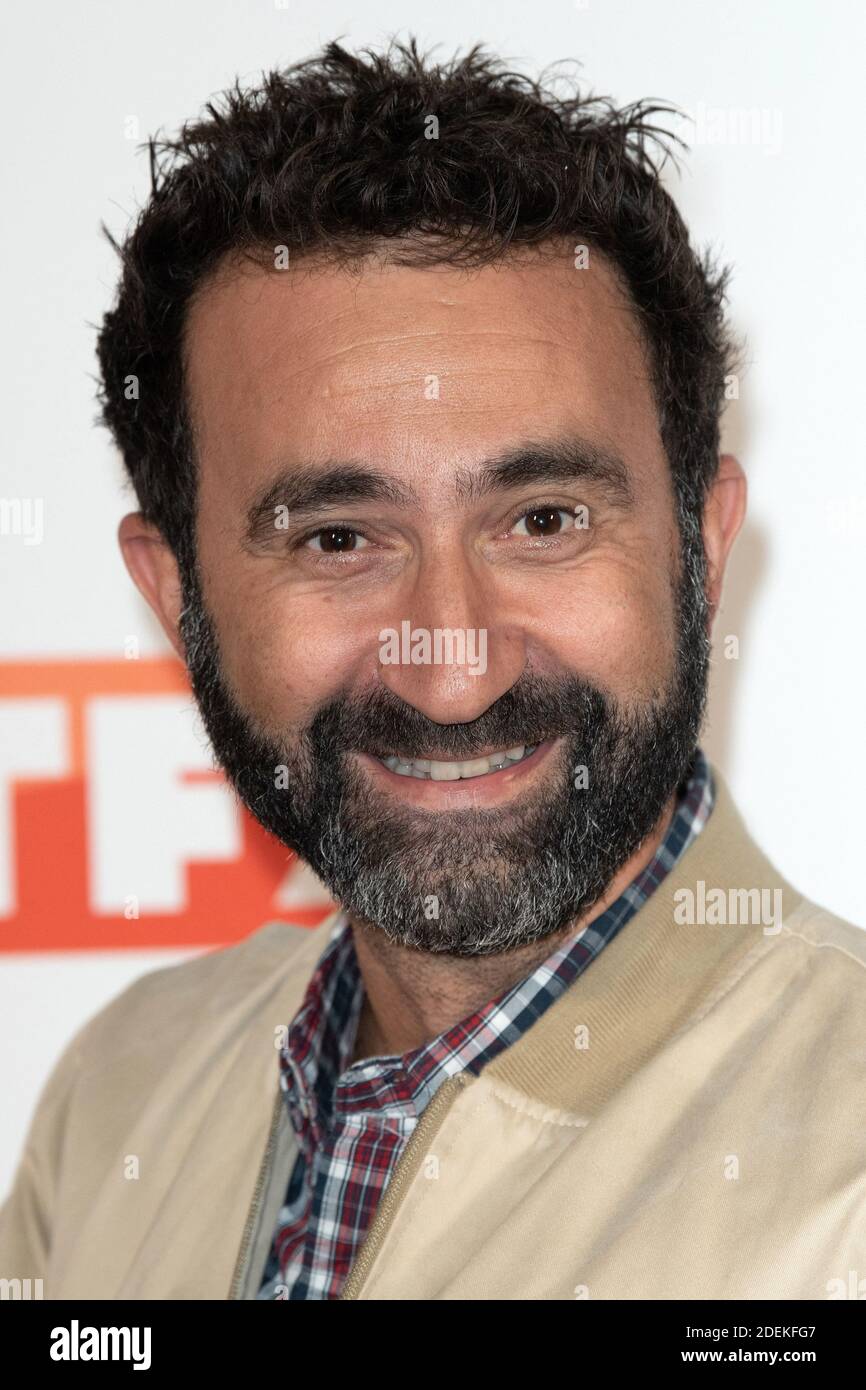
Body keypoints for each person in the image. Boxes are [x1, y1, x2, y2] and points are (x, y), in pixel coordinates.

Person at [2, 37, 864, 1301]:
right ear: (175, 594)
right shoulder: (116, 1096)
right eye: (339, 539)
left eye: (543, 520)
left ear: (702, 545)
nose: (452, 665)